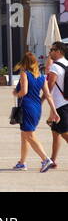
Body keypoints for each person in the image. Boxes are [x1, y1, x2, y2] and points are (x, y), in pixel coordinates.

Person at [12, 51, 52, 172]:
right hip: (37, 107)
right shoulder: (41, 77)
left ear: (24, 63)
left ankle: (45, 159)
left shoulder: (25, 74)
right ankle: (22, 162)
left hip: (26, 107)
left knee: (29, 135)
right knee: (24, 136)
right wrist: (53, 111)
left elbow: (23, 92)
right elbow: (47, 94)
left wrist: (16, 93)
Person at [43, 42, 67, 170]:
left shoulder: (55, 67)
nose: (50, 52)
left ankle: (52, 160)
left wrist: (41, 100)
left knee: (64, 133)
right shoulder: (67, 63)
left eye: (52, 50)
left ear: (58, 51)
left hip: (60, 104)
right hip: (65, 102)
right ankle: (52, 160)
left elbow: (49, 86)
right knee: (56, 132)